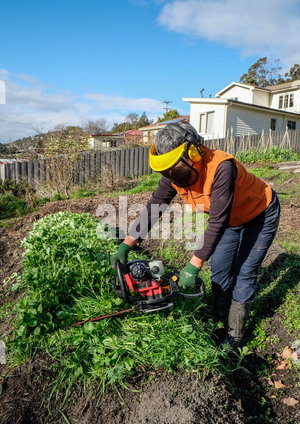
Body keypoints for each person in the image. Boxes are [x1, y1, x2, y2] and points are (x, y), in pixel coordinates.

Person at [110, 122, 281, 352]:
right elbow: (155, 206)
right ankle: (220, 323)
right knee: (220, 270)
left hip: (259, 214)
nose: (172, 176)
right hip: (231, 220)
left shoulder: (221, 168)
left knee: (244, 273)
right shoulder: (175, 174)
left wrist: (193, 266)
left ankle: (234, 338)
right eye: (167, 171)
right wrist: (126, 245)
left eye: (175, 168)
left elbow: (217, 220)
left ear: (193, 152)